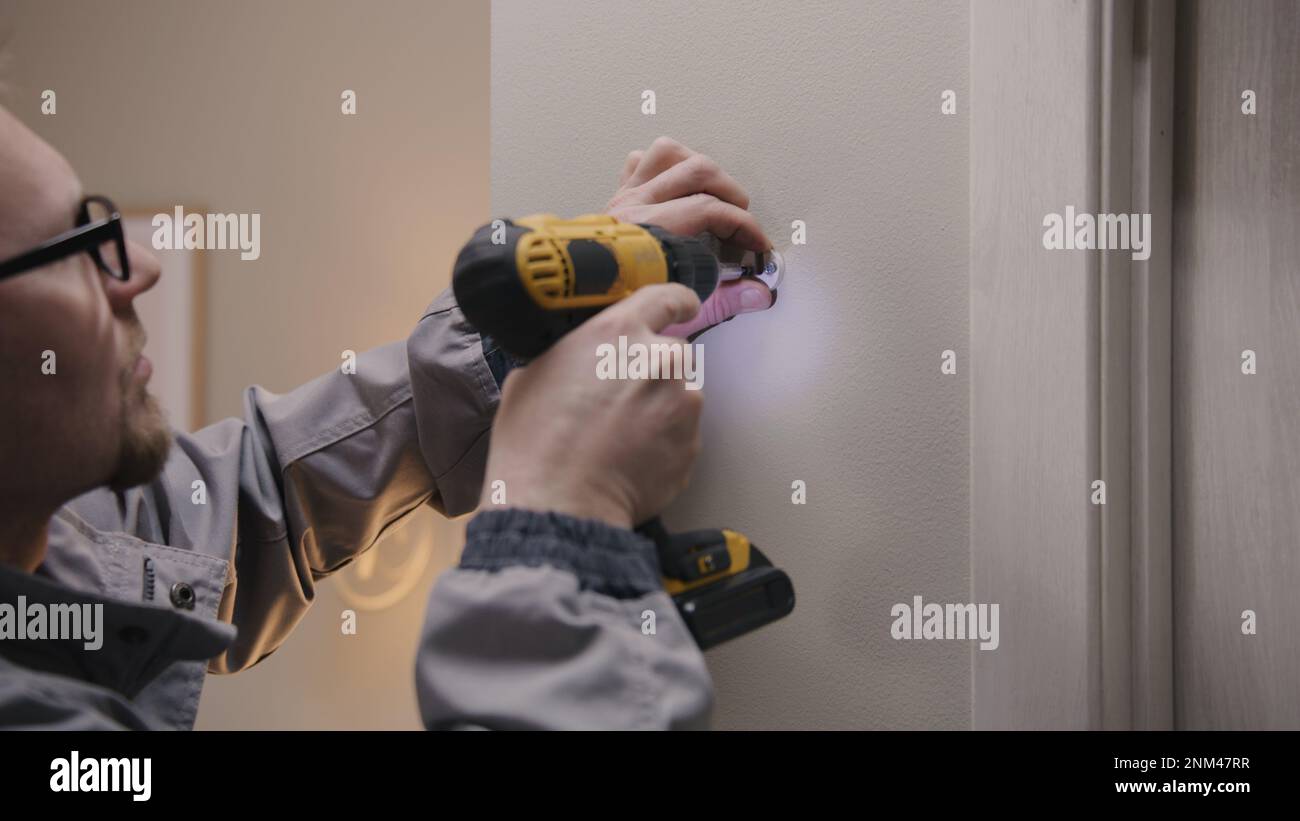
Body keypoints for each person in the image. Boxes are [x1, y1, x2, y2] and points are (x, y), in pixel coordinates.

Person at [0, 106, 776, 729]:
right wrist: (559, 524)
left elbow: (261, 490)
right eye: (74, 247)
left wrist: (510, 343)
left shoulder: (48, 543)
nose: (141, 268)